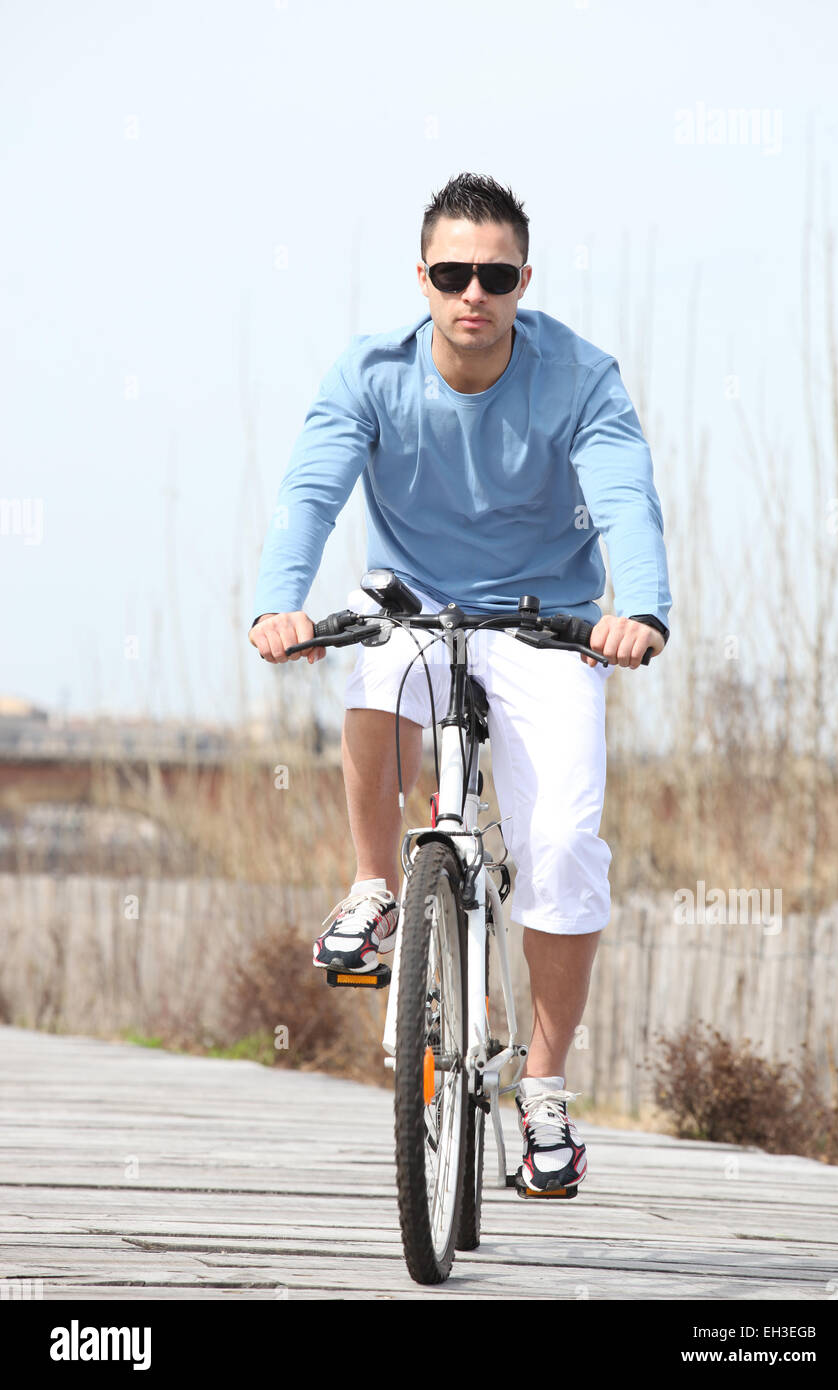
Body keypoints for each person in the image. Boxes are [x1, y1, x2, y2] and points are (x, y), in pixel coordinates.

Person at [248, 172, 672, 1194]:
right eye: (451, 273)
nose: (470, 292)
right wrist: (279, 603)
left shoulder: (579, 376)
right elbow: (313, 487)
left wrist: (641, 609)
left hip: (543, 622)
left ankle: (543, 1090)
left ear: (522, 279)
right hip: (416, 599)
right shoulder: (372, 371)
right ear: (423, 279)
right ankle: (371, 889)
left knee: (564, 846)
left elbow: (621, 491)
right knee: (373, 655)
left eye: (492, 274)